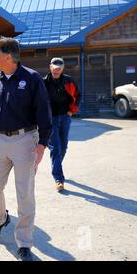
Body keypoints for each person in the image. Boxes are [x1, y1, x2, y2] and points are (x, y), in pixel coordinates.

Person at [0, 37, 52, 261]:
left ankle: (24, 242)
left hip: (25, 140)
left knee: (24, 193)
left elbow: (44, 112)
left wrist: (42, 144)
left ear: (8, 56)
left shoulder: (32, 79)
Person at [43, 57, 81, 192]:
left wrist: (72, 111)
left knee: (63, 147)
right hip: (51, 119)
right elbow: (38, 101)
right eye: (55, 68)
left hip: (65, 117)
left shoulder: (69, 81)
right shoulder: (44, 82)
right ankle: (59, 179)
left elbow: (78, 95)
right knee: (56, 148)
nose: (57, 70)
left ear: (62, 69)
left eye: (59, 68)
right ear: (50, 67)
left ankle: (56, 165)